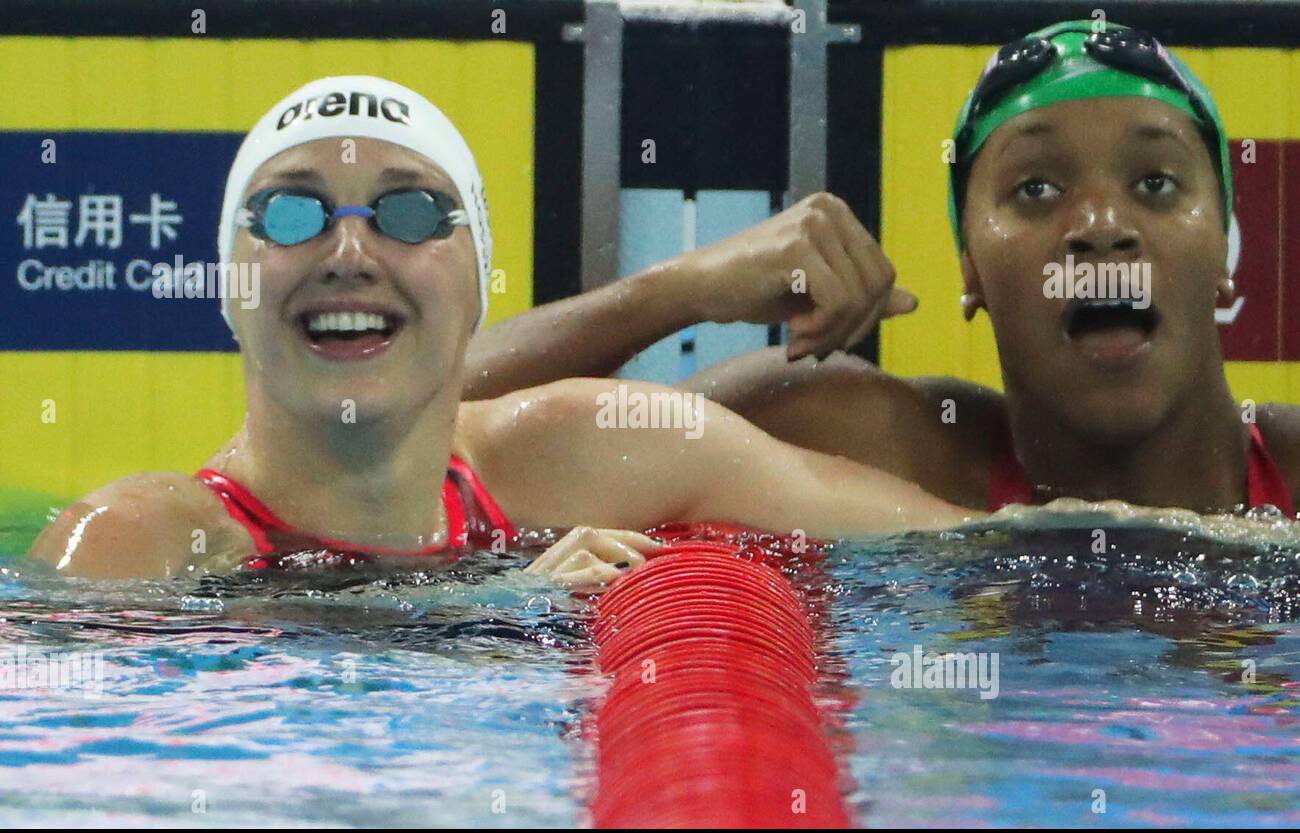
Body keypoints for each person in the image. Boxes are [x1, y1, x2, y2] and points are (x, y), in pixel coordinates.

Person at [27, 75, 971, 584]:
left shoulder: (580, 449)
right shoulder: (134, 544)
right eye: (288, 215)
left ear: (480, 287)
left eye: (408, 215)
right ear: (230, 285)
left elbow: (961, 546)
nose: (348, 250)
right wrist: (492, 606)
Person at [464, 20, 1300, 518]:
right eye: (1036, 188)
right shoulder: (873, 442)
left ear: (1226, 246)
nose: (1101, 228)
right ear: (969, 265)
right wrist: (675, 291)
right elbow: (422, 452)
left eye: (1154, 184)